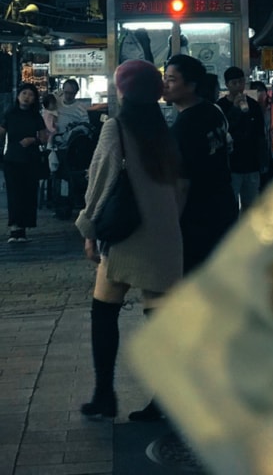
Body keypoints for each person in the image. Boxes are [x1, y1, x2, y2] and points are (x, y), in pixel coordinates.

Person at [75, 59, 183, 421]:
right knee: (159, 315)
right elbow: (179, 184)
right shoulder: (164, 127)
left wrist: (88, 228)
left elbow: (101, 180)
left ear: (123, 89)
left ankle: (104, 394)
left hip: (127, 233)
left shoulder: (115, 127)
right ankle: (167, 400)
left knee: (104, 310)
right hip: (164, 231)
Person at [163, 54, 238, 274]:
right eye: (165, 78)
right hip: (224, 207)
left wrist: (171, 227)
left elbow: (182, 184)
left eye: (172, 79)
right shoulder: (213, 111)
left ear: (191, 85)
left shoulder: (183, 128)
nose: (165, 85)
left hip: (198, 220)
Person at [0, 83, 48, 242]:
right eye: (24, 93)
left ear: (34, 99)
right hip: (12, 159)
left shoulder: (36, 116)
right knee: (14, 194)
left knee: (28, 193)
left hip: (31, 159)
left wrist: (32, 140)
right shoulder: (10, 113)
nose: (27, 97)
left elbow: (43, 138)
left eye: (31, 95)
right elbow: (1, 132)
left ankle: (23, 229)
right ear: (18, 96)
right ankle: (15, 229)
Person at [217, 66, 266, 213]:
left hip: (251, 163)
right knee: (230, 206)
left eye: (241, 82)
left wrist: (263, 162)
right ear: (227, 85)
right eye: (234, 83)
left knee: (250, 207)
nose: (239, 86)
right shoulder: (221, 106)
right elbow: (223, 129)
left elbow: (260, 133)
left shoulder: (253, 105)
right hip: (231, 165)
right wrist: (235, 109)